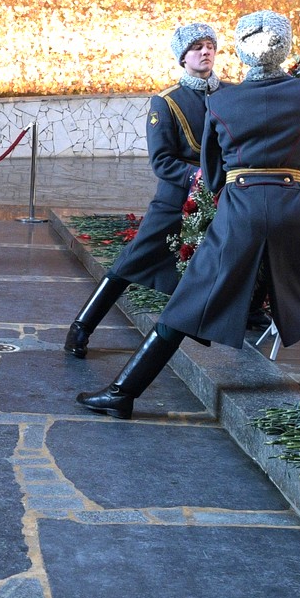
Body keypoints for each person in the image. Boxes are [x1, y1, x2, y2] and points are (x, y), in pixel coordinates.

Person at [76, 10, 300, 418]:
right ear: (284, 47)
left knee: (191, 297)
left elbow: (212, 174)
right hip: (294, 209)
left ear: (241, 52)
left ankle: (123, 392)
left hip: (239, 210)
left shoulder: (222, 100)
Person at [64, 22, 219, 357]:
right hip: (177, 200)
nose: (205, 52)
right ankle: (82, 326)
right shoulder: (166, 102)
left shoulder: (230, 95)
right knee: (130, 263)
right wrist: (199, 178)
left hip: (222, 198)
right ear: (183, 57)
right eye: (197, 47)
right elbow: (162, 162)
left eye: (209, 45)